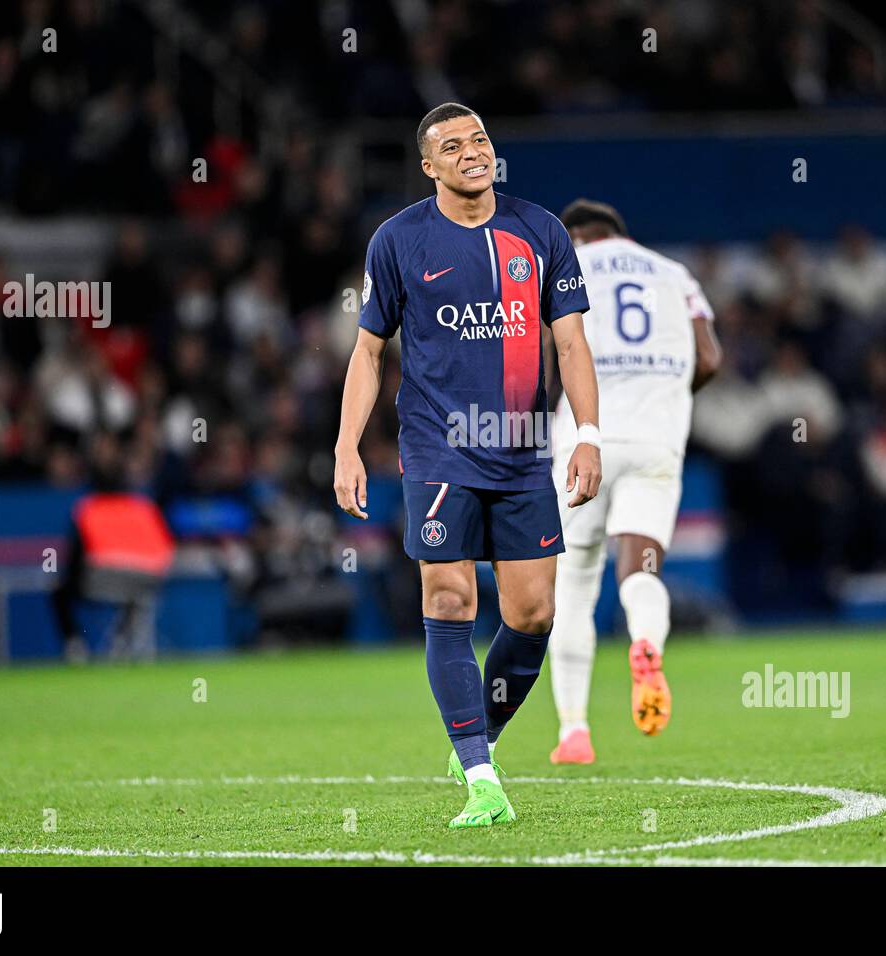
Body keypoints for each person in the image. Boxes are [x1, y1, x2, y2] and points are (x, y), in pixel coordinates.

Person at [332, 103, 602, 828]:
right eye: (452, 146)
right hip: (437, 449)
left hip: (521, 451)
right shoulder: (397, 241)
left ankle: (477, 730)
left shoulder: (540, 231)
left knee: (534, 613)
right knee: (450, 600)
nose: (472, 152)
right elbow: (368, 350)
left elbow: (571, 345)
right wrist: (346, 445)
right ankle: (481, 777)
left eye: (479, 138)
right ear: (430, 167)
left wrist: (589, 435)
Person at [546, 199, 721, 764]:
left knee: (572, 583)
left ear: (575, 236)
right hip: (655, 440)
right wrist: (665, 401)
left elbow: (551, 354)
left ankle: (574, 731)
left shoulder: (566, 267)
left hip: (585, 439)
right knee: (641, 567)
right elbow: (711, 357)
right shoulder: (674, 274)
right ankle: (646, 642)